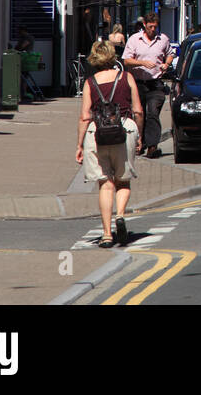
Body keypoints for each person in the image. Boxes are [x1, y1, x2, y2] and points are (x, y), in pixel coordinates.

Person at [76, 40, 142, 248]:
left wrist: (79, 145)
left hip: (97, 133)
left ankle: (106, 235)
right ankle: (120, 215)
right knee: (123, 181)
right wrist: (138, 135)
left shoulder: (89, 83)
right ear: (113, 57)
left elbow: (85, 117)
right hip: (124, 129)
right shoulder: (126, 77)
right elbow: (138, 110)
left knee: (105, 183)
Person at [122, 13, 172, 159]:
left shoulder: (163, 39)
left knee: (152, 113)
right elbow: (126, 60)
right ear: (144, 25)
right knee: (139, 114)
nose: (153, 30)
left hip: (155, 84)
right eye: (150, 27)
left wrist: (166, 64)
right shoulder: (134, 40)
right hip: (138, 83)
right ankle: (139, 143)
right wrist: (142, 63)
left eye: (155, 27)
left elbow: (170, 54)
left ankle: (152, 146)